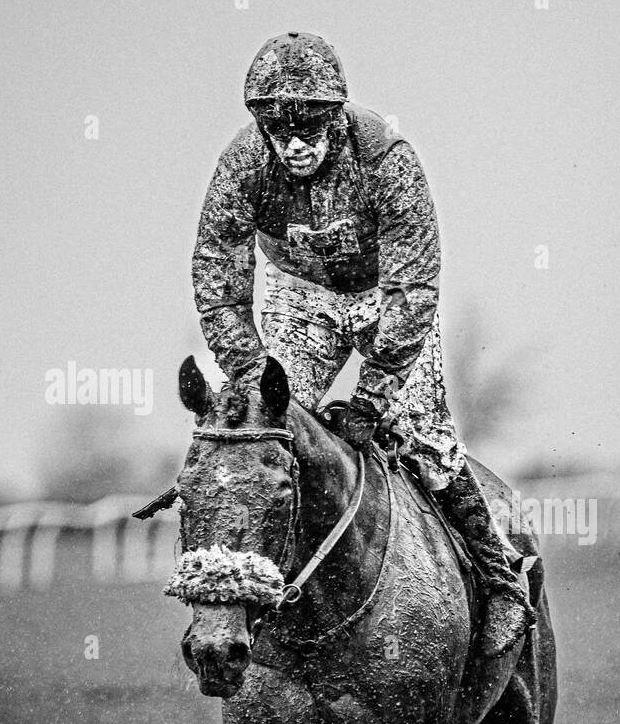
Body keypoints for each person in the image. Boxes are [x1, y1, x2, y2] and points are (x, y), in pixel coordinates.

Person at [192, 32, 533, 656]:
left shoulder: (386, 158)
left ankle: (500, 579)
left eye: (309, 125)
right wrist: (246, 369)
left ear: (336, 113)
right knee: (268, 431)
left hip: (388, 294)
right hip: (298, 294)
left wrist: (372, 397)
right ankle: (242, 596)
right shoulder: (241, 165)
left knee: (425, 436)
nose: (293, 143)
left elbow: (415, 288)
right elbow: (219, 277)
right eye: (276, 127)